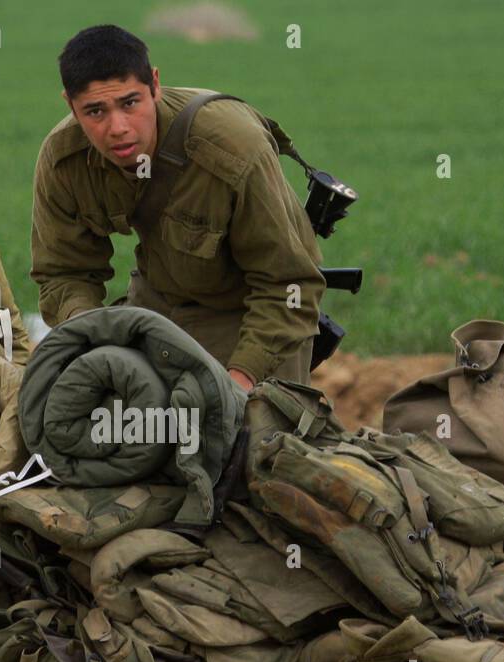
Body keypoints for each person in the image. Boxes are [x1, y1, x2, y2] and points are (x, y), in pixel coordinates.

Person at [29, 24, 325, 390]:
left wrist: (240, 381)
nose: (117, 127)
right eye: (95, 111)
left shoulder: (233, 149)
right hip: (157, 310)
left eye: (129, 103)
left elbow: (289, 284)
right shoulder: (64, 160)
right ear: (70, 106)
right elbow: (64, 273)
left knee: (251, 440)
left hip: (251, 316)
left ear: (154, 85)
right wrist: (94, 340)